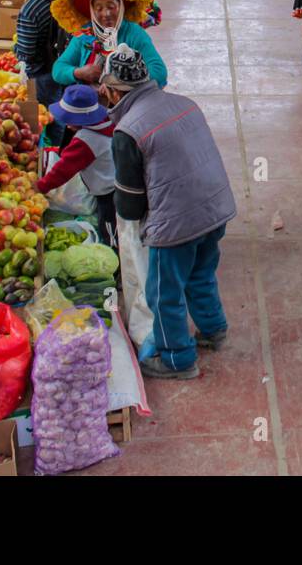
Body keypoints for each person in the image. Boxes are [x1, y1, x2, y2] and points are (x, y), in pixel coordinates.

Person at [102, 45, 237, 380]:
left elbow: (131, 203)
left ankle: (177, 359)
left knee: (164, 293)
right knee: (201, 274)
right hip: (214, 208)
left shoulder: (127, 130)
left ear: (115, 90)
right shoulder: (183, 103)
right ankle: (214, 329)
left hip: (176, 222)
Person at [51, 0, 167, 91]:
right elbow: (58, 70)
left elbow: (159, 72)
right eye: (99, 8)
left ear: (121, 7)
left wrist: (120, 83)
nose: (106, 14)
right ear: (92, 11)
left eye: (111, 7)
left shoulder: (134, 33)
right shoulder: (85, 34)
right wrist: (78, 72)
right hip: (91, 105)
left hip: (126, 105)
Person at [38, 84, 118, 246]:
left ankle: (116, 259)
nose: (67, 125)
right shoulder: (107, 120)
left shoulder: (86, 139)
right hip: (114, 179)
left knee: (109, 227)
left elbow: (62, 171)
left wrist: (39, 187)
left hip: (109, 192)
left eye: (69, 119)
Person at [8, 0, 65, 110]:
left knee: (50, 114)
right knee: (63, 109)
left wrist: (16, 48)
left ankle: (53, 135)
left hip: (44, 72)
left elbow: (26, 53)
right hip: (66, 64)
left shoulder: (29, 9)